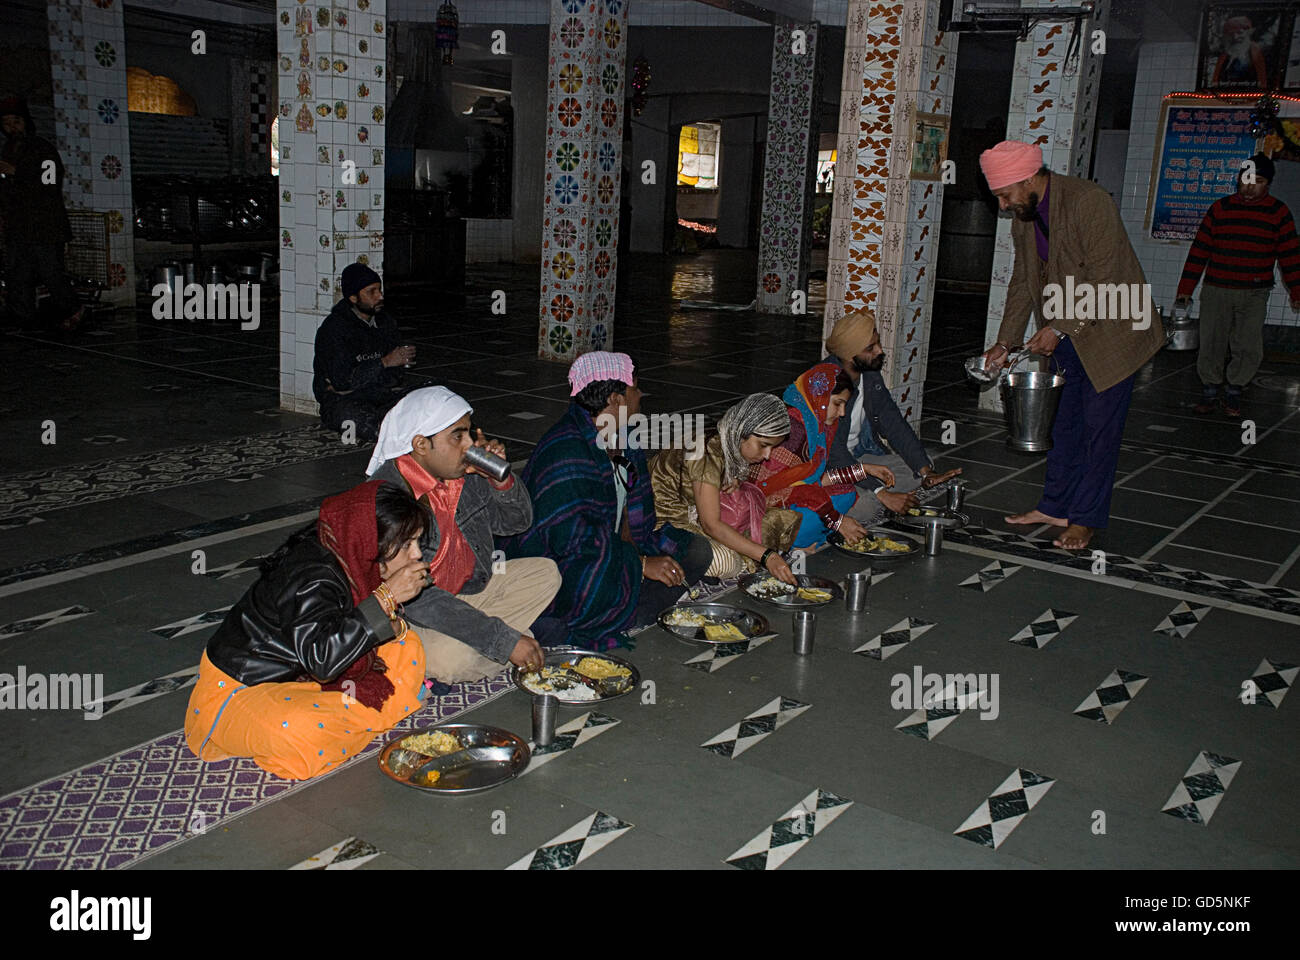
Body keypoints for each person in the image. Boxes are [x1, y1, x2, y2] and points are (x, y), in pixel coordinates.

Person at [978, 140, 1164, 551]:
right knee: (1064, 426)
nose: (1005, 205)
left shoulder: (1088, 201)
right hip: (1067, 329)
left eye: (1005, 195)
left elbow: (1107, 276)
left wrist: (1059, 327)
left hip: (1114, 327)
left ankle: (1085, 519)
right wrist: (1005, 341)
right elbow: (1023, 282)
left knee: (1100, 431)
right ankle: (1055, 505)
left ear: (1027, 179)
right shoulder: (1025, 216)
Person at [186, 480, 430, 781]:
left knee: (407, 645)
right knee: (299, 730)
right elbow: (323, 661)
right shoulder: (312, 575)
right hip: (241, 689)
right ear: (370, 541)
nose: (417, 554)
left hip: (300, 672)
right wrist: (386, 598)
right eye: (406, 544)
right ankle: (365, 713)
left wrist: (385, 612)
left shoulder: (347, 552)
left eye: (417, 542)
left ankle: (360, 712)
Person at [503, 352, 712, 651]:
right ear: (615, 400)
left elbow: (636, 517)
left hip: (614, 551)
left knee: (696, 551)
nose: (641, 396)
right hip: (564, 565)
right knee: (591, 583)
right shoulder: (565, 450)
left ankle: (621, 607)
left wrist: (637, 556)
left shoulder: (625, 437)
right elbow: (570, 541)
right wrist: (639, 565)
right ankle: (600, 615)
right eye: (635, 389)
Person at [365, 386, 560, 682]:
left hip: (468, 591)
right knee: (452, 662)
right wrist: (504, 640)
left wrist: (500, 480)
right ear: (420, 444)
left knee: (546, 574)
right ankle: (488, 645)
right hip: (414, 611)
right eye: (458, 436)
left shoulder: (463, 475)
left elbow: (516, 522)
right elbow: (421, 600)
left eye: (469, 433)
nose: (469, 445)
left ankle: (477, 644)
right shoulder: (389, 496)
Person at [1174, 152, 1300, 418]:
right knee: (1211, 341)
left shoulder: (1279, 213)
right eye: (1245, 179)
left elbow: (1290, 256)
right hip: (1217, 288)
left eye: (1258, 180)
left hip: (1254, 292)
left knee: (1248, 344)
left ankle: (1234, 390)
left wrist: (1296, 292)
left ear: (1268, 184)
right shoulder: (1220, 209)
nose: (1250, 186)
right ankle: (1209, 390)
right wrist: (1185, 289)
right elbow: (1200, 250)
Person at [823, 307, 961, 523]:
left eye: (877, 343)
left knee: (915, 466)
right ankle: (867, 498)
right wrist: (881, 493)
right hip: (829, 469)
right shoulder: (827, 384)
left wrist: (925, 472)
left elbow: (892, 422)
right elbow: (833, 454)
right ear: (850, 355)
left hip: (860, 456)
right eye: (871, 347)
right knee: (865, 508)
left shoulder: (869, 375)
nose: (879, 351)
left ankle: (873, 493)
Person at [649, 393, 801, 583]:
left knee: (776, 521)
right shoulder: (705, 450)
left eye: (771, 447)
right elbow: (711, 525)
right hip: (662, 522)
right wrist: (767, 556)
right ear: (742, 430)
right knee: (726, 561)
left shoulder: (726, 444)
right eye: (763, 445)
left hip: (694, 515)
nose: (767, 455)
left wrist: (734, 479)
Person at [750, 363, 881, 550]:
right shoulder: (793, 430)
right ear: (820, 397)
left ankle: (810, 538)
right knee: (817, 517)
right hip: (761, 509)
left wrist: (863, 470)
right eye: (837, 404)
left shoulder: (817, 427)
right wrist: (836, 520)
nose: (842, 413)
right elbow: (777, 490)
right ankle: (801, 541)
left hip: (793, 500)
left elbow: (817, 480)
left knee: (847, 493)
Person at [0, 96, 81, 331]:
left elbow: (50, 182)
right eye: (6, 123)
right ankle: (21, 315)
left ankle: (74, 308)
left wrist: (18, 172)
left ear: (26, 122)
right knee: (18, 272)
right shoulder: (9, 150)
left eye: (16, 121)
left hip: (45, 225)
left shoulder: (41, 149)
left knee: (50, 271)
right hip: (19, 225)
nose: (12, 127)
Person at [313, 262, 415, 443]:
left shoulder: (385, 322)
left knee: (429, 396)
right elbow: (343, 382)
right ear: (353, 298)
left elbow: (396, 376)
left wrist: (378, 376)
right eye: (371, 292)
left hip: (379, 394)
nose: (380, 296)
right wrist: (384, 363)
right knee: (351, 418)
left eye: (379, 290)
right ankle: (390, 435)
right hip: (344, 401)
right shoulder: (334, 329)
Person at [1211, 16, 1269, 88]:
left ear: (1248, 32)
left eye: (1239, 33)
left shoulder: (1254, 50)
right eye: (1232, 34)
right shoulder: (1226, 54)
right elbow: (1215, 80)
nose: (1235, 37)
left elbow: (1262, 79)